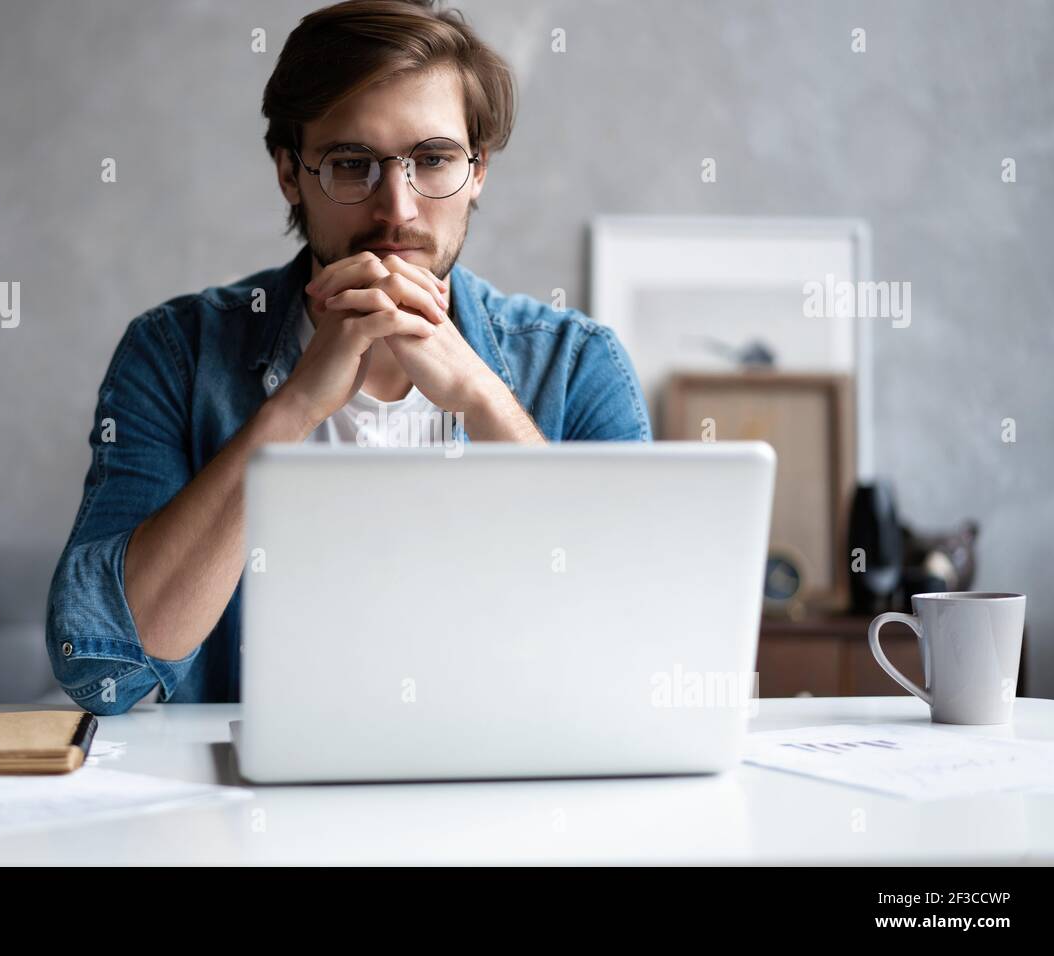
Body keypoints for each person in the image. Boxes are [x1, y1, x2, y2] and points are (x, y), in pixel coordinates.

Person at [46, 0, 652, 714]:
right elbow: (106, 671)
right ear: (289, 173)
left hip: (508, 805)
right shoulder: (175, 353)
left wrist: (483, 401)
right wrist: (295, 408)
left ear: (478, 169)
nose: (396, 208)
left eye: (433, 160)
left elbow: (640, 651)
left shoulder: (577, 365)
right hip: (257, 810)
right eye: (351, 163)